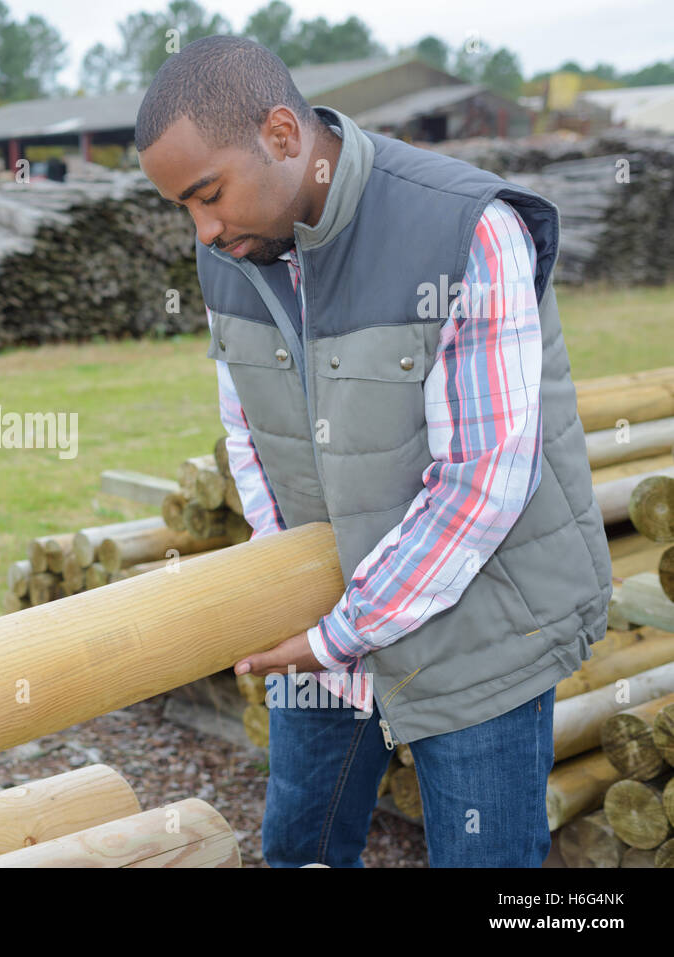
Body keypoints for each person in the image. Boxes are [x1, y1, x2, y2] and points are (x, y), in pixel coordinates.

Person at [135, 36, 612, 868]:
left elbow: (483, 483)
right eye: (184, 207)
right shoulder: (232, 251)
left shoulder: (464, 231)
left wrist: (337, 634)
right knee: (298, 849)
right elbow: (247, 427)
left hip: (483, 626)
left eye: (208, 195)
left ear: (283, 135)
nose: (203, 231)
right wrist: (283, 576)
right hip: (323, 609)